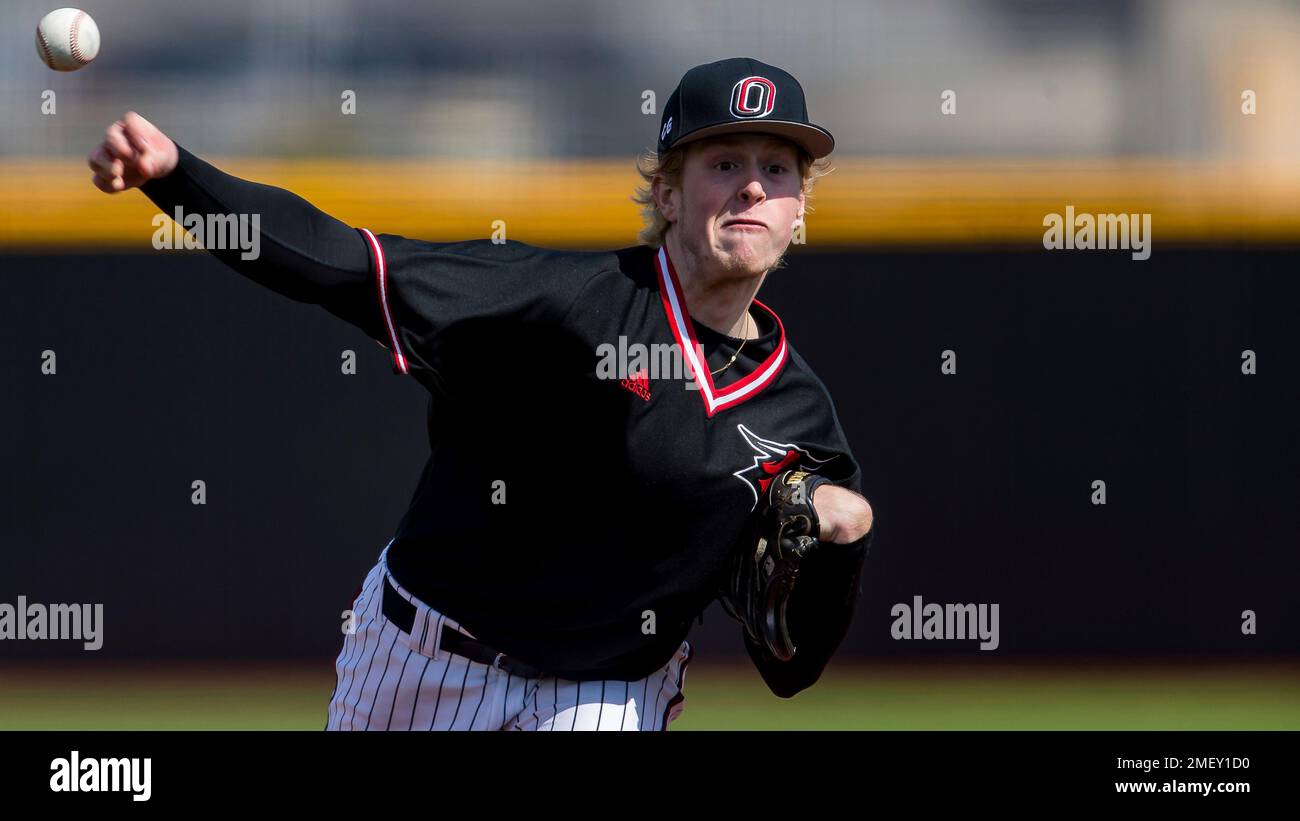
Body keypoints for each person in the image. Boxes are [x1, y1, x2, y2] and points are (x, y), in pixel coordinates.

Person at [87, 56, 874, 731]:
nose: (751, 189)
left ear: (799, 206)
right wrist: (177, 177)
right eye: (723, 163)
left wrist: (842, 548)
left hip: (606, 693)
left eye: (777, 169)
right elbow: (343, 265)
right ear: (667, 194)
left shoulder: (796, 418)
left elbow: (791, 667)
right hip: (422, 656)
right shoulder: (559, 301)